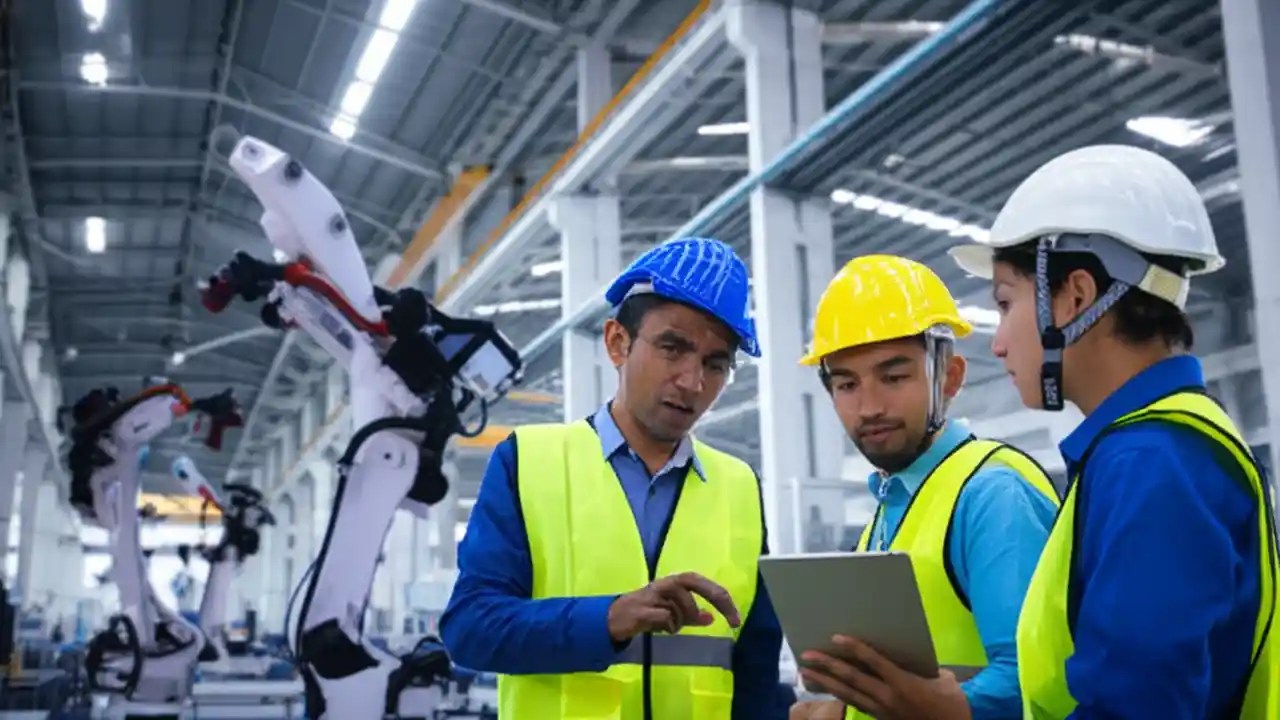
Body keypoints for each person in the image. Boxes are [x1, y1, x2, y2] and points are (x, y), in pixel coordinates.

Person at [947, 144, 1278, 718]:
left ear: (1075, 296)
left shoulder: (1152, 462)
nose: (997, 342)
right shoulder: (1158, 448)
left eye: (1005, 302)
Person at [440, 236, 784, 719]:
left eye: (716, 363)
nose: (693, 382)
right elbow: (469, 628)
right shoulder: (528, 462)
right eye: (672, 348)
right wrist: (606, 618)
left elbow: (755, 667)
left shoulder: (740, 486)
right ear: (617, 342)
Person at [788, 255, 1060, 720]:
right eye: (847, 384)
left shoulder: (992, 495)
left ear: (949, 376)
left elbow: (1036, 676)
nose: (869, 406)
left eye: (894, 377)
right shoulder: (886, 511)